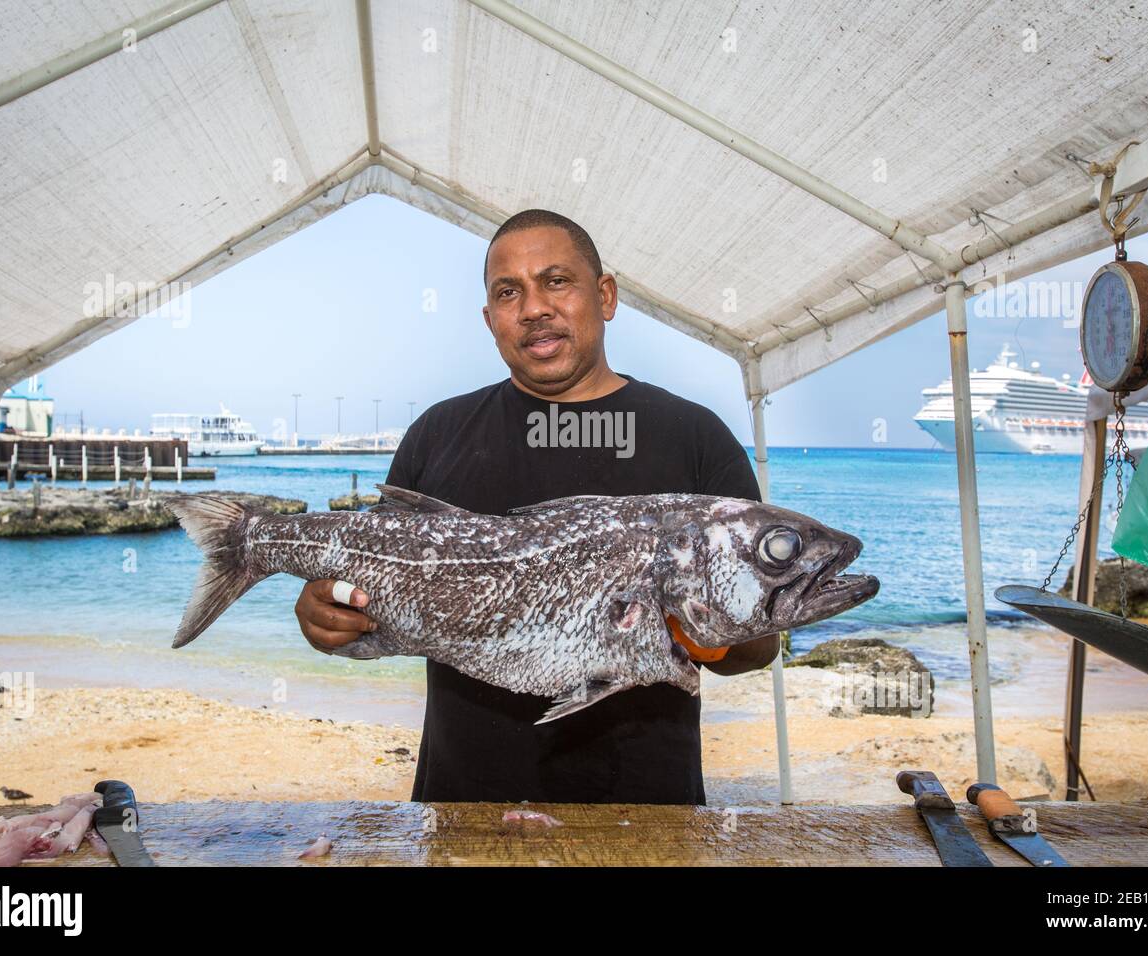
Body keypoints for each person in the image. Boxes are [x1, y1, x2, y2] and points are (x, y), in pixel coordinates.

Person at [293, 209, 782, 803]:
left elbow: (759, 646)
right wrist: (328, 613)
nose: (533, 308)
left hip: (650, 813)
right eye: (508, 292)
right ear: (489, 318)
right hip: (462, 808)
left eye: (556, 281)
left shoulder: (695, 438)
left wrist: (707, 635)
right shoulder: (437, 434)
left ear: (604, 296)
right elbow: (361, 595)